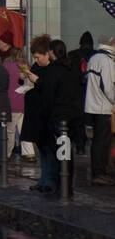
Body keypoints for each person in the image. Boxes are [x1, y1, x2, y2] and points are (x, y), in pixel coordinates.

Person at [22, 35, 58, 194]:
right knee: (41, 149)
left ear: (46, 54)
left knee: (50, 150)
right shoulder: (37, 67)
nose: (36, 60)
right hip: (36, 114)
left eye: (38, 57)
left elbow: (51, 90)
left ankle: (50, 181)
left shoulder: (53, 69)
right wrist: (24, 78)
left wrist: (37, 81)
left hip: (47, 115)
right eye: (34, 57)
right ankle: (43, 179)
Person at [49, 39, 84, 196]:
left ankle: (62, 188)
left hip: (60, 116)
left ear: (52, 52)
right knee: (68, 154)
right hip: (74, 116)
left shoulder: (55, 70)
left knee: (61, 154)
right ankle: (67, 187)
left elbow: (49, 96)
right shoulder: (73, 68)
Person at [83, 34, 115, 185]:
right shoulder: (106, 61)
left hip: (93, 105)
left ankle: (98, 171)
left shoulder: (94, 58)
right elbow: (108, 86)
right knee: (102, 141)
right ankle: (99, 173)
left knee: (97, 141)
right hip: (104, 107)